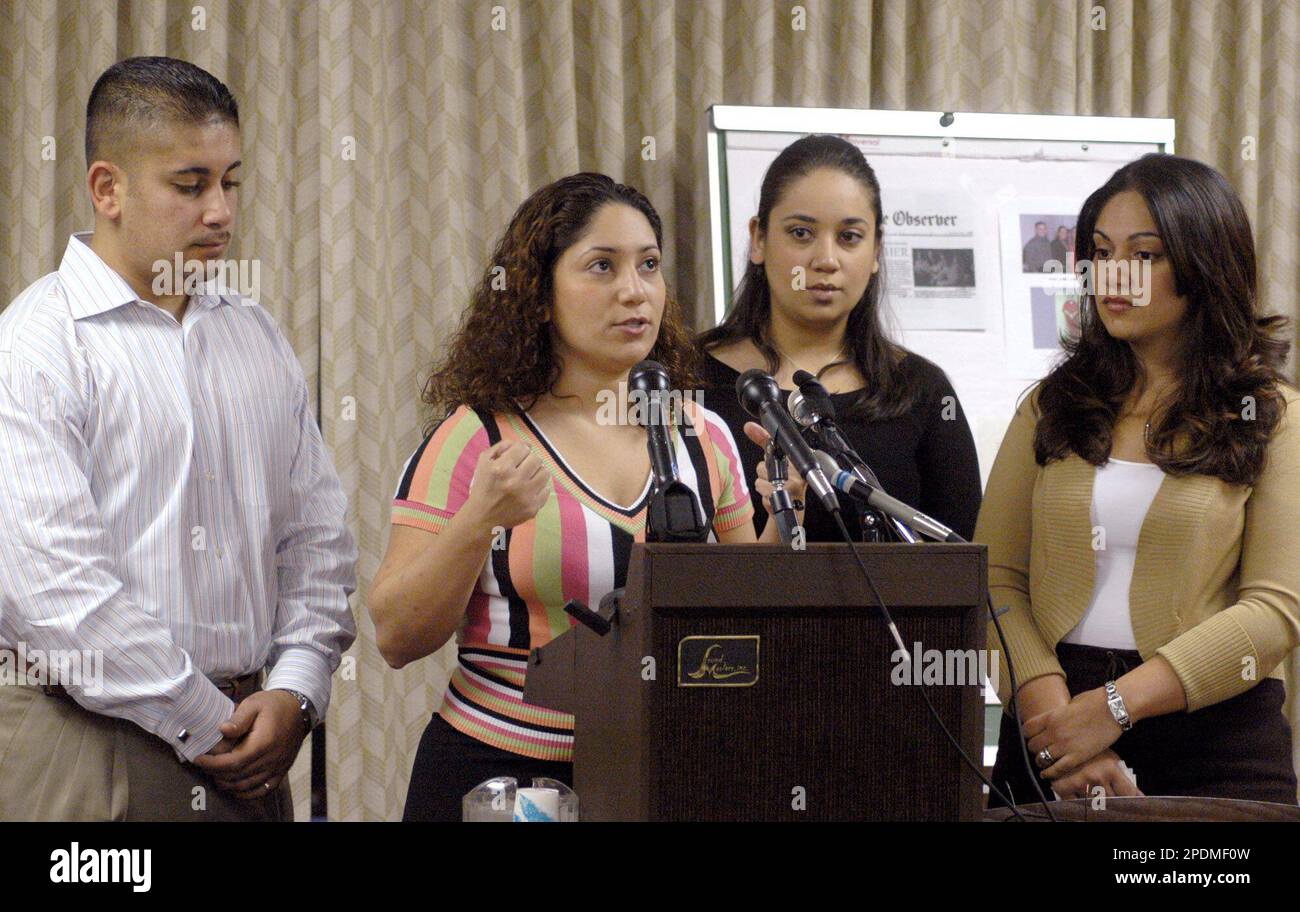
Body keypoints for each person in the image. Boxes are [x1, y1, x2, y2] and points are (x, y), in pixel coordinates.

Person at [369, 172, 798, 822]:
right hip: (502, 778)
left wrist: (787, 513)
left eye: (649, 265)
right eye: (602, 266)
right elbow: (397, 636)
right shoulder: (476, 435)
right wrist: (480, 519)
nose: (634, 291)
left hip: (668, 769)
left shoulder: (701, 432)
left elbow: (746, 617)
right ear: (540, 295)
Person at [0, 57, 358, 821]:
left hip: (253, 746)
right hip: (90, 748)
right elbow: (59, 595)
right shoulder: (34, 345)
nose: (222, 211)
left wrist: (296, 687)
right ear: (108, 189)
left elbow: (317, 542)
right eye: (190, 185)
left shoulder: (255, 335)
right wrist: (209, 721)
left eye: (232, 181)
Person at [978, 153, 1299, 806]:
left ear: (1205, 266)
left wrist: (1113, 709)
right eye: (1100, 251)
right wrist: (1054, 722)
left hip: (1217, 740)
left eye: (1144, 254)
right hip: (1051, 722)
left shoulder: (1272, 415)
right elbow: (993, 577)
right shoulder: (1050, 404)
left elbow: (1275, 610)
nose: (1112, 275)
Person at [696, 134, 981, 543]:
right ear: (758, 238)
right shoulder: (688, 379)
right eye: (801, 233)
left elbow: (963, 566)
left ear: (877, 250)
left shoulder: (922, 392)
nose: (826, 260)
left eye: (849, 237)